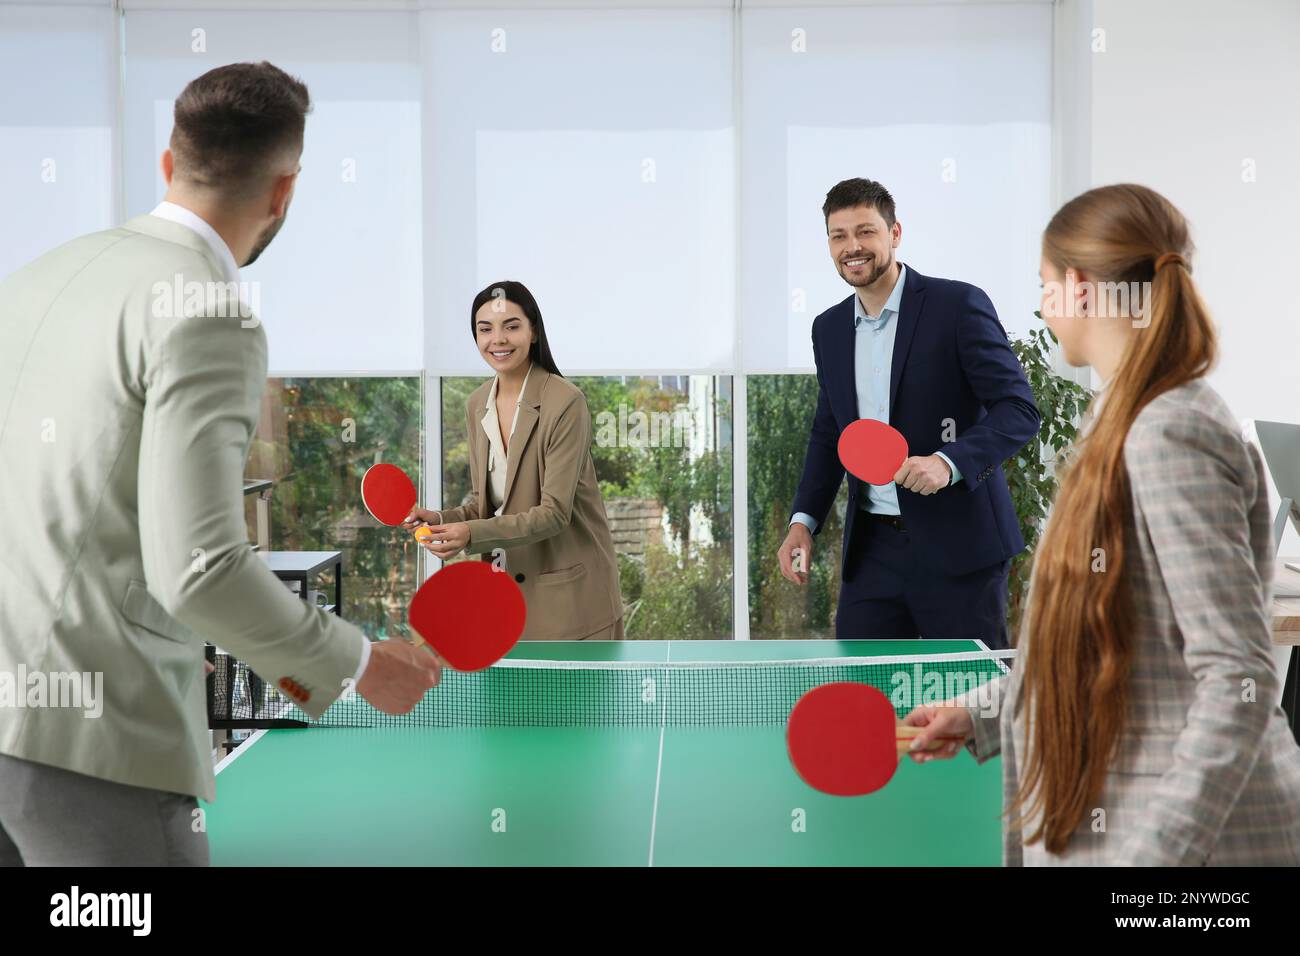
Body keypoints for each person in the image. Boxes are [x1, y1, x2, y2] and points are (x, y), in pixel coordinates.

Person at [0, 62, 439, 866]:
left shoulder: (30, 281)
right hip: (95, 746)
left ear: (169, 166)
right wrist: (362, 665)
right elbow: (197, 571)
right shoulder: (206, 312)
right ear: (284, 193)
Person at [905, 183, 1300, 865]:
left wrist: (1151, 862)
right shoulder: (1121, 420)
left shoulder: (1169, 431)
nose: (1041, 306)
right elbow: (1104, 641)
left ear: (1081, 288)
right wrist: (983, 713)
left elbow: (1238, 677)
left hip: (1186, 849)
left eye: (1045, 285)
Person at [778, 178, 1040, 648]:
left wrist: (949, 462)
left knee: (971, 703)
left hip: (960, 549)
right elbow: (828, 433)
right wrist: (804, 522)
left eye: (865, 232)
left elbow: (1018, 408)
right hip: (872, 553)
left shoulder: (957, 306)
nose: (852, 247)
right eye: (838, 236)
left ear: (895, 234)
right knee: (867, 697)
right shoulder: (829, 328)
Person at [405, 281, 624, 641]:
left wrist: (470, 534)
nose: (498, 339)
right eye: (485, 329)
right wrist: (442, 520)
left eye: (511, 326)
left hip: (571, 605)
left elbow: (553, 513)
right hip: (502, 601)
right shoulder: (477, 405)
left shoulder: (566, 402)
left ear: (533, 330)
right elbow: (488, 504)